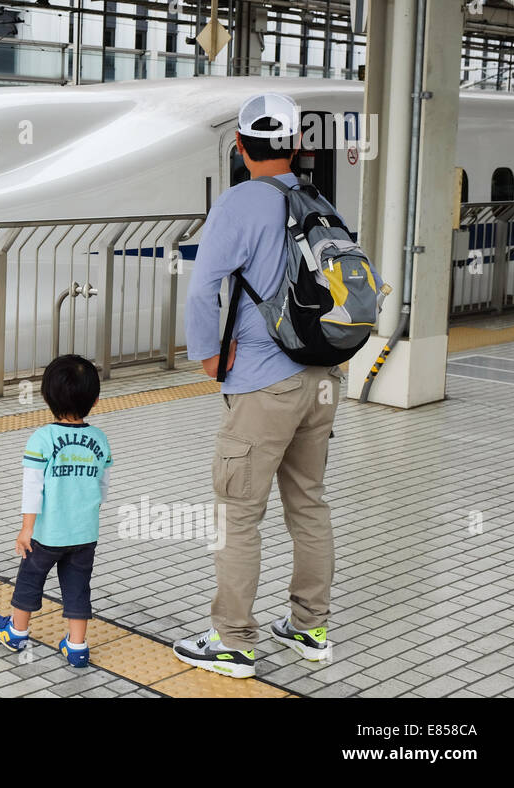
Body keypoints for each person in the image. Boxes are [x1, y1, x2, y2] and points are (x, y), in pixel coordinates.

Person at [172, 92, 342, 679]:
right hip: (322, 378)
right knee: (309, 503)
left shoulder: (238, 202)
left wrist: (207, 356)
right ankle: (309, 628)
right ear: (297, 146)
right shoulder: (317, 199)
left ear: (241, 148)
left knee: (238, 513)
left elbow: (203, 290)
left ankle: (233, 641)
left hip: (264, 384)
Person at [0, 354, 112, 668]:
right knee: (78, 586)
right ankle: (77, 646)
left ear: (46, 397)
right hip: (84, 533)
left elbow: (33, 488)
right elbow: (102, 487)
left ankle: (16, 631)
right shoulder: (99, 439)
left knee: (30, 579)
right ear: (95, 400)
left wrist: (27, 529)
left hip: (46, 533)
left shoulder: (42, 439)